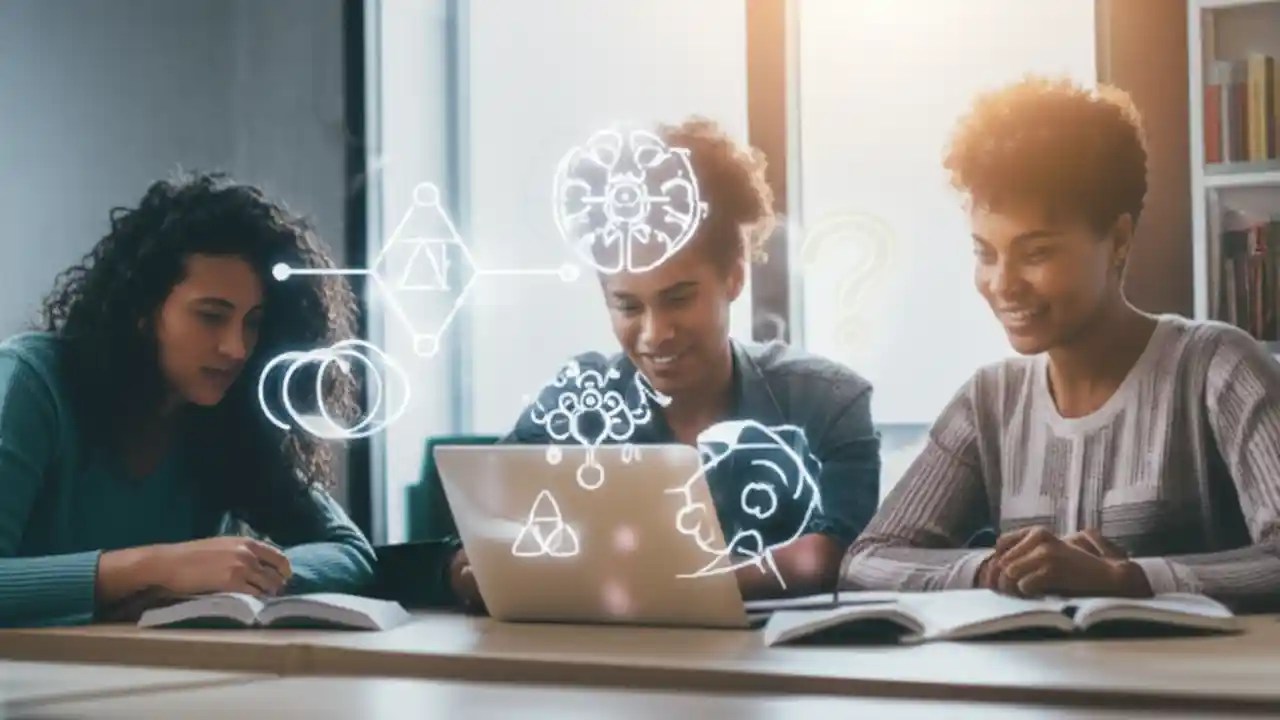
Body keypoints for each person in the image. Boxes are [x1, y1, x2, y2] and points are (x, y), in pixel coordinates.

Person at [840, 76, 1280, 611]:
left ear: (1118, 240)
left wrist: (1124, 578)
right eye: (985, 253)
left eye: (1035, 253)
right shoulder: (989, 401)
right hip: (1042, 693)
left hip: (1192, 692)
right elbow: (868, 559)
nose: (1002, 284)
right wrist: (994, 569)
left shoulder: (1217, 369)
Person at [449, 118, 882, 606]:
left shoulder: (825, 402)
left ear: (734, 277)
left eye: (678, 299)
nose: (655, 334)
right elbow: (473, 545)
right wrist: (482, 566)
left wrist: (631, 584)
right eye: (628, 306)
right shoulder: (578, 402)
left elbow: (834, 557)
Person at [0, 173, 376, 627]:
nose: (237, 348)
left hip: (162, 678)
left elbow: (349, 551)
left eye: (253, 323)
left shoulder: (232, 415)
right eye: (211, 317)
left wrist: (244, 577)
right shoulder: (35, 382)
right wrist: (161, 569)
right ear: (142, 311)